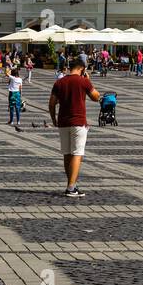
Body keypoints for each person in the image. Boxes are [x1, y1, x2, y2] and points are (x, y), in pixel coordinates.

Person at [48, 54, 101, 198]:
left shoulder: (59, 82)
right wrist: (89, 81)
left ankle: (72, 183)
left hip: (63, 122)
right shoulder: (83, 82)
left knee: (67, 154)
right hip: (78, 123)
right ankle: (71, 188)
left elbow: (52, 103)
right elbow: (96, 97)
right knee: (77, 153)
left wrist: (54, 119)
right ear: (82, 69)